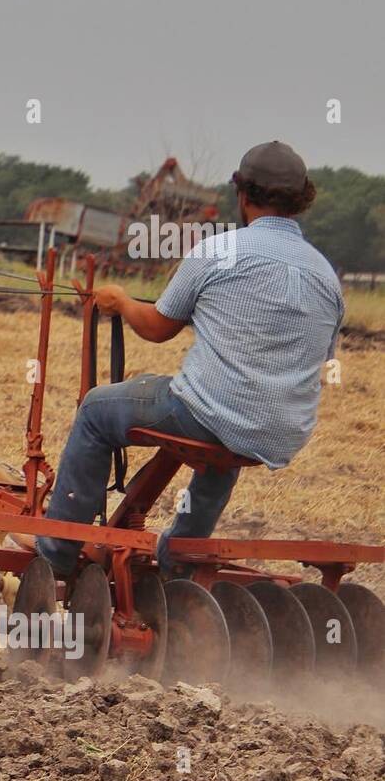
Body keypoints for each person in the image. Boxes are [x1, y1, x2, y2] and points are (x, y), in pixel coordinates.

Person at [34, 141, 343, 579]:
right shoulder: (325, 275)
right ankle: (178, 560)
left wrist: (120, 301)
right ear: (301, 200)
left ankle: (56, 553)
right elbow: (319, 358)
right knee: (227, 440)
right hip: (281, 432)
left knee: (96, 410)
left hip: (207, 412)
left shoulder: (218, 252)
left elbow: (158, 329)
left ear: (243, 194)